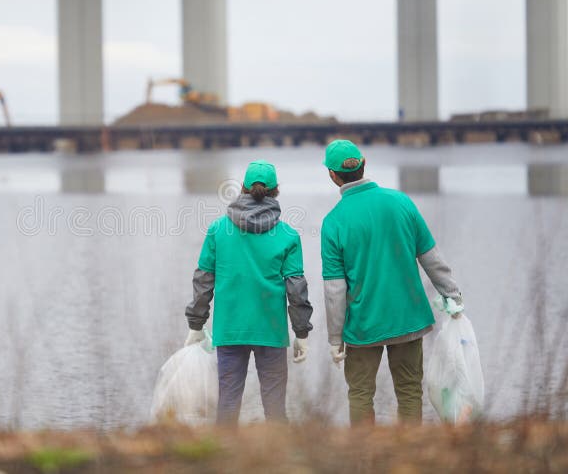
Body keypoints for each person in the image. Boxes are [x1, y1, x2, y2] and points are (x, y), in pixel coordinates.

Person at [320, 139, 464, 425]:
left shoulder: (333, 222)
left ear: (332, 175)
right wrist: (453, 296)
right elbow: (431, 258)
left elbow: (335, 290)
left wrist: (335, 339)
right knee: (410, 390)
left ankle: (364, 459)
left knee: (360, 393)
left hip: (363, 325)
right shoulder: (401, 202)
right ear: (364, 165)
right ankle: (408, 456)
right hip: (408, 318)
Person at [184, 160, 313, 425]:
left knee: (228, 406)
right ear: (276, 191)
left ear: (242, 188)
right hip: (271, 331)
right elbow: (296, 288)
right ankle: (278, 462)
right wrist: (301, 332)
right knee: (275, 409)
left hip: (230, 329)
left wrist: (196, 324)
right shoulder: (287, 235)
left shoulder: (219, 230)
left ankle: (225, 460)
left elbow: (203, 279)